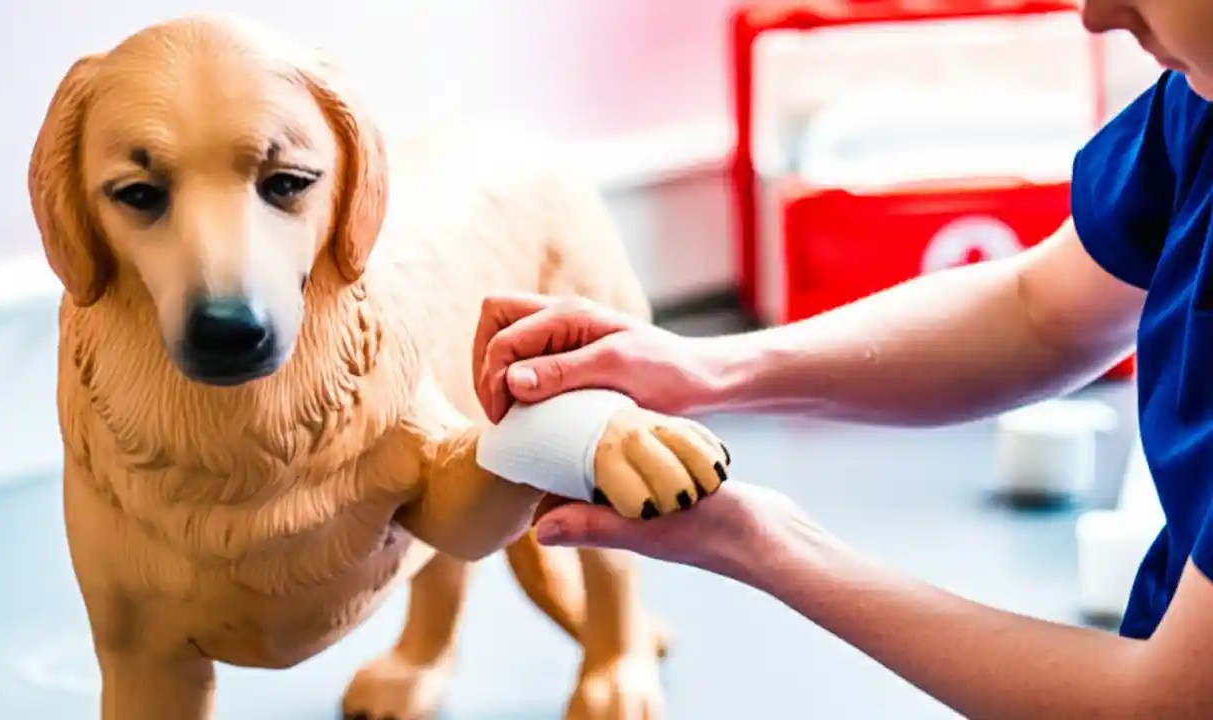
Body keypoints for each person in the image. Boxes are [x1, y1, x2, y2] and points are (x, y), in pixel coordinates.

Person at [470, 1, 1213, 715]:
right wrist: (705, 369)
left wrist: (769, 545)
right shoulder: (1198, 98)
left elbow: (1164, 703)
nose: (1096, 15)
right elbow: (1042, 309)